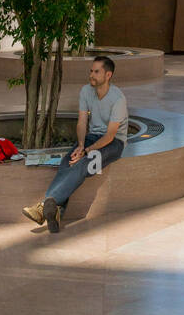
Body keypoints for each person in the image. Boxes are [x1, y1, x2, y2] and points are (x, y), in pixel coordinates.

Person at [22, 54, 128, 233]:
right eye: (90, 71)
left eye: (96, 72)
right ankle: (55, 211)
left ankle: (44, 207)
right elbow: (81, 122)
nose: (91, 75)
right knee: (67, 161)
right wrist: (80, 145)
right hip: (91, 138)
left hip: (114, 143)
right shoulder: (86, 91)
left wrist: (86, 152)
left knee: (83, 164)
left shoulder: (118, 99)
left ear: (108, 75)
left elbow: (110, 136)